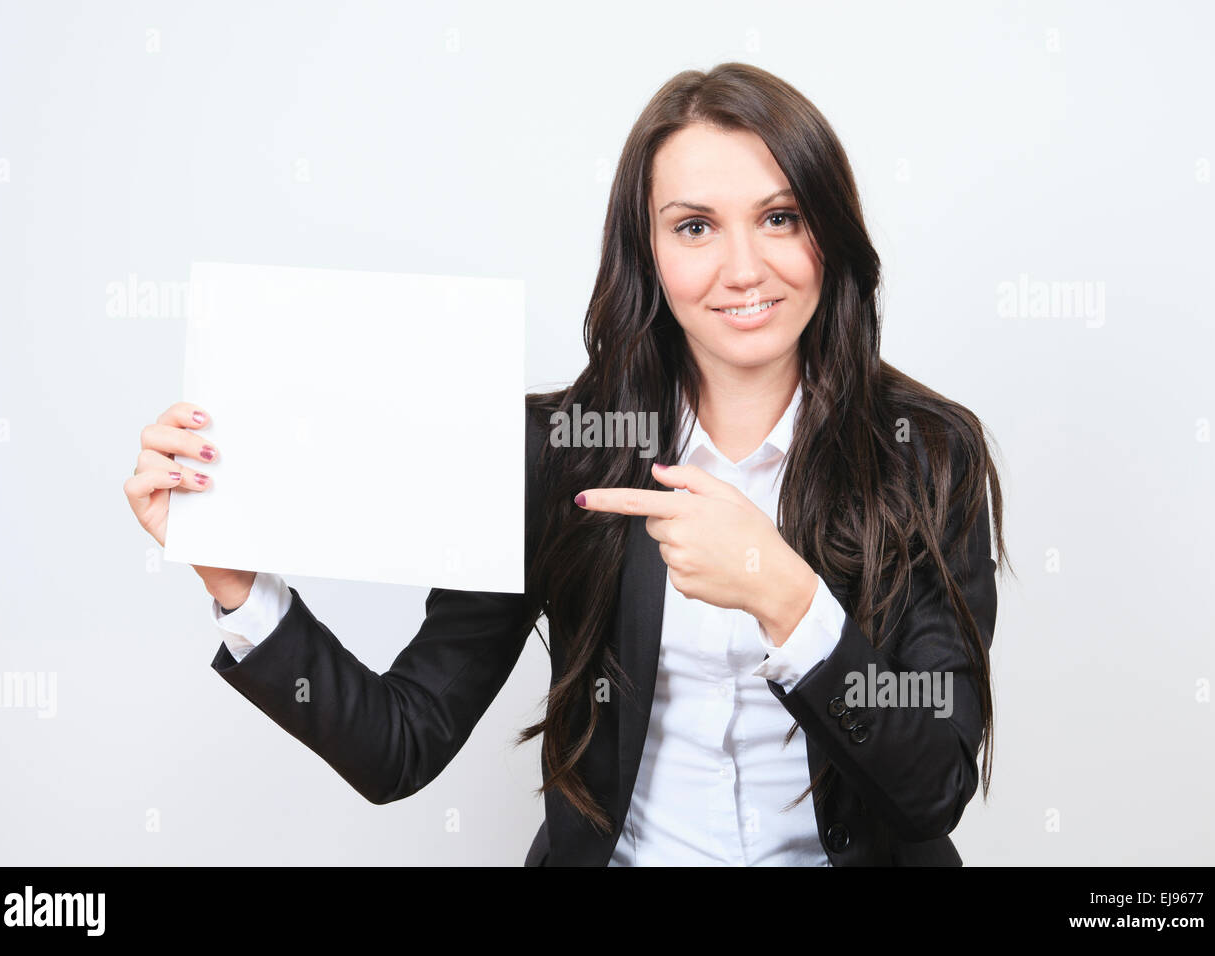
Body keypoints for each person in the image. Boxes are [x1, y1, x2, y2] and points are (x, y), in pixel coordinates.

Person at [123, 62, 1007, 866]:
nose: (745, 267)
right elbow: (401, 743)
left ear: (829, 231)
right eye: (695, 226)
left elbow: (931, 785)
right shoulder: (554, 454)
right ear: (649, 252)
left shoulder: (928, 453)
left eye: (781, 218)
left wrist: (781, 592)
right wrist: (238, 583)